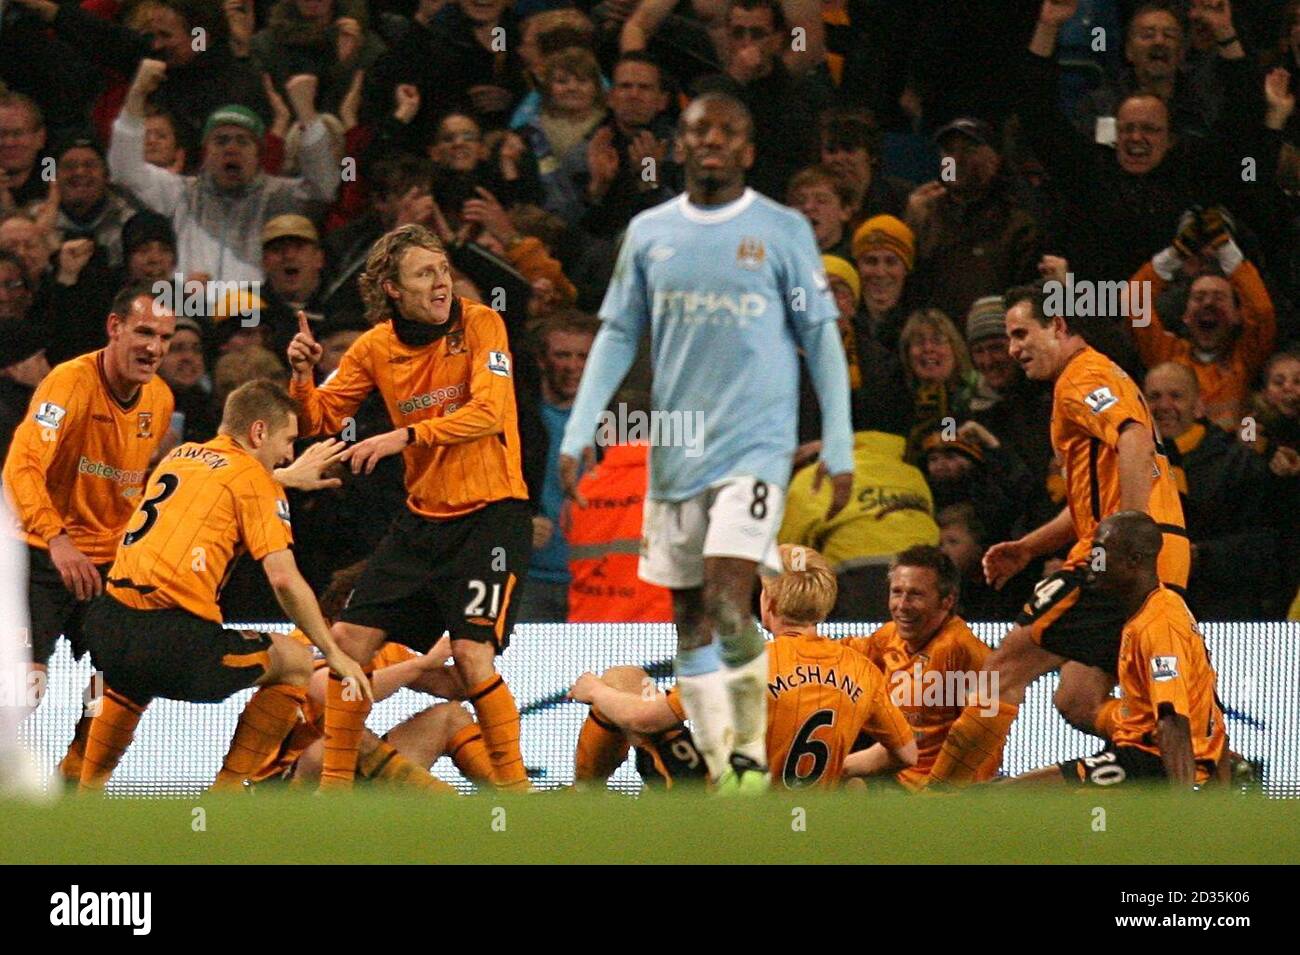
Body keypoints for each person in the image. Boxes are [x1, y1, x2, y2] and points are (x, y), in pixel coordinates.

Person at [559, 92, 854, 791]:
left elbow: (820, 335)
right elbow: (620, 335)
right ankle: (707, 764)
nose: (713, 141)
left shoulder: (782, 229)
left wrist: (837, 440)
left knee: (728, 595)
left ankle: (746, 765)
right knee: (690, 612)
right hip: (676, 452)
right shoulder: (651, 231)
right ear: (680, 146)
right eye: (698, 131)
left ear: (749, 150)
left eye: (729, 131)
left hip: (752, 444)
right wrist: (577, 432)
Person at [286, 224, 533, 791]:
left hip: (491, 516)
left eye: (443, 269)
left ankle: (517, 795)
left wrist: (403, 437)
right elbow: (316, 420)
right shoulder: (375, 347)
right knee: (347, 646)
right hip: (422, 522)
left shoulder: (480, 323)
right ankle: (334, 789)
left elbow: (489, 413)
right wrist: (301, 376)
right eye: (425, 273)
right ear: (391, 288)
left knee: (472, 658)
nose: (441, 282)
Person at [926, 279, 1189, 787]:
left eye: (1022, 333)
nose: (1013, 349)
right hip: (1157, 555)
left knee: (1003, 667)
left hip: (1120, 560)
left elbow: (1133, 437)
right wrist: (1029, 547)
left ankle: (945, 797)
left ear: (1061, 326)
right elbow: (1091, 500)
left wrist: (1128, 536)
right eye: (1009, 338)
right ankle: (1184, 759)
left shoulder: (1081, 377)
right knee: (1077, 699)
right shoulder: (1095, 378)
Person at [75, 381, 371, 789]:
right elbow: (283, 579)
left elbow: (225, 484)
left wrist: (281, 476)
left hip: (107, 625)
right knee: (296, 661)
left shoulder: (181, 455)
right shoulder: (254, 481)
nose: (289, 453)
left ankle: (81, 794)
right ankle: (226, 796)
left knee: (132, 680)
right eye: (287, 441)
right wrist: (333, 654)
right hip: (175, 642)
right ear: (259, 433)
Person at [1, 284, 175, 786]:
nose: (154, 347)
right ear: (115, 328)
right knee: (26, 686)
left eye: (164, 337)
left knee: (114, 682)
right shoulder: (69, 383)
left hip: (109, 563)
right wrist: (57, 540)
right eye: (144, 331)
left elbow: (137, 486)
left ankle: (79, 779)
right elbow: (22, 465)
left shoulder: (160, 399)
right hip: (38, 552)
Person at [568, 544, 917, 789]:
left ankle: (581, 800)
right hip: (802, 814)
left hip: (718, 809)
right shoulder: (862, 670)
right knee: (853, 788)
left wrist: (594, 690)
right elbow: (905, 754)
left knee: (622, 679)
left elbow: (644, 719)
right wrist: (838, 769)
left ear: (770, 601)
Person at [1006, 511, 1225, 789]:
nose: (1090, 561)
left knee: (1010, 795)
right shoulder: (1143, 613)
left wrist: (1180, 810)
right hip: (1137, 756)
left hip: (1152, 765)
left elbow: (1172, 720)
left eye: (1099, 553)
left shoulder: (1161, 625)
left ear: (1134, 560)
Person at [109, 60, 338, 283]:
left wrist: (308, 115)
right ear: (206, 153)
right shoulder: (182, 193)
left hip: (254, 315)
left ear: (259, 154)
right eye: (221, 141)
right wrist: (137, 95)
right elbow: (124, 172)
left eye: (242, 141)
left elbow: (324, 187)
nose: (231, 149)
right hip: (192, 312)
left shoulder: (279, 196)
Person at [842, 545, 998, 790]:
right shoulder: (889, 636)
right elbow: (839, 656)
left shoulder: (965, 652)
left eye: (915, 595)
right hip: (894, 775)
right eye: (897, 592)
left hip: (939, 793)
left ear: (947, 601)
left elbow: (988, 737)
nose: (902, 605)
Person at [1144, 362, 1282, 619]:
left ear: (1198, 406)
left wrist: (1200, 557)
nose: (1163, 406)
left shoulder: (1238, 463)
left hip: (1219, 612)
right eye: (1154, 397)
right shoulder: (1126, 461)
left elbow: (1264, 545)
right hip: (1148, 611)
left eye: (1175, 396)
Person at [1127, 207, 1276, 430]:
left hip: (1230, 461)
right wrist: (1175, 254)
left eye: (1218, 297)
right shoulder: (1165, 354)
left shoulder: (1245, 358)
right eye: (1199, 297)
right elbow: (1133, 300)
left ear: (1238, 316)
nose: (1208, 303)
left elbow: (1262, 312)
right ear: (1185, 315)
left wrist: (1225, 248)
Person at [780, 429, 939, 621]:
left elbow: (788, 551)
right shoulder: (915, 477)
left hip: (852, 593)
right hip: (925, 596)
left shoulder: (816, 475)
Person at [519, 313, 597, 623]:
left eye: (583, 356)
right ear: (541, 359)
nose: (573, 365)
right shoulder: (514, 421)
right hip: (529, 579)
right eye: (562, 355)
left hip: (596, 583)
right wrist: (517, 526)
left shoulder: (619, 425)